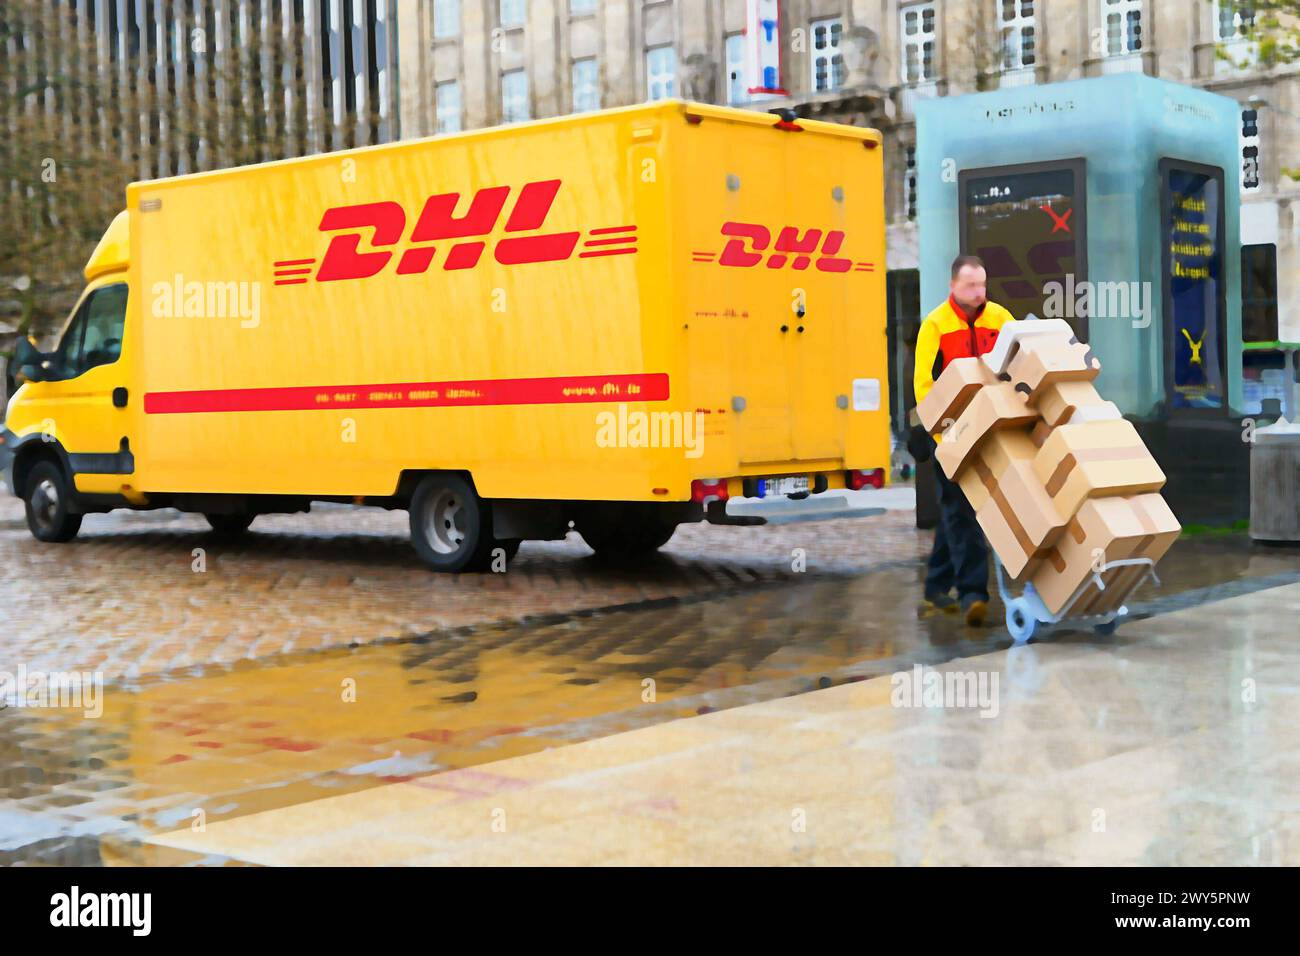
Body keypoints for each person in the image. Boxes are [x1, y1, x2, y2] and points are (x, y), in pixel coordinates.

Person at [910, 255, 1017, 626]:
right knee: (961, 512)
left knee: (955, 514)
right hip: (951, 436)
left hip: (990, 430)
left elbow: (1018, 363)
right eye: (971, 285)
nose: (979, 292)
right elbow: (923, 385)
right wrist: (942, 437)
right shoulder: (935, 325)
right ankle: (973, 593)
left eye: (982, 285)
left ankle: (936, 589)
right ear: (954, 285)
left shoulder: (1001, 319)